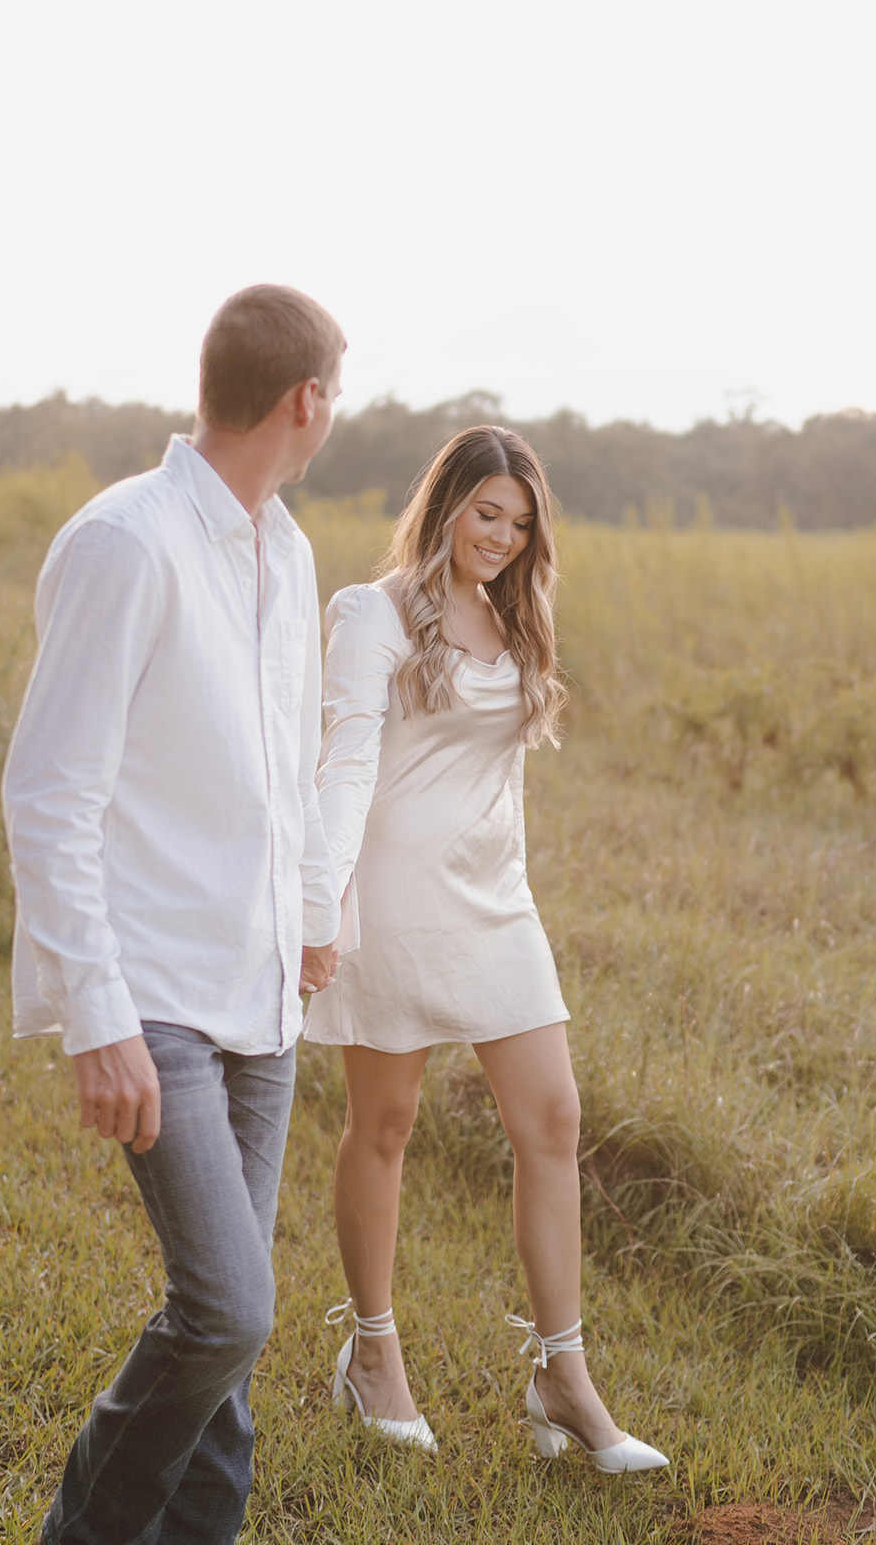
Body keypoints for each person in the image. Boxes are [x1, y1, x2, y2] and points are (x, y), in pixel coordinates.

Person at [2, 284, 344, 1545]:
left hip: (262, 989)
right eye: (336, 393)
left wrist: (310, 912)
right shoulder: (125, 542)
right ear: (306, 399)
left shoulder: (286, 551)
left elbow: (292, 764)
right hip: (154, 993)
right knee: (228, 1310)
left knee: (231, 1335)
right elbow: (50, 793)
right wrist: (97, 1017)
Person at [304, 425, 668, 1473]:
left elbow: (499, 778)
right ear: (445, 506)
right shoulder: (371, 614)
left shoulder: (517, 615)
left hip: (496, 902)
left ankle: (563, 1377)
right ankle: (373, 1353)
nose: (501, 537)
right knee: (385, 1124)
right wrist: (320, 903)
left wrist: (512, 880)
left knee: (552, 1118)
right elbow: (345, 763)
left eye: (518, 522)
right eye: (485, 514)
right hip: (392, 898)